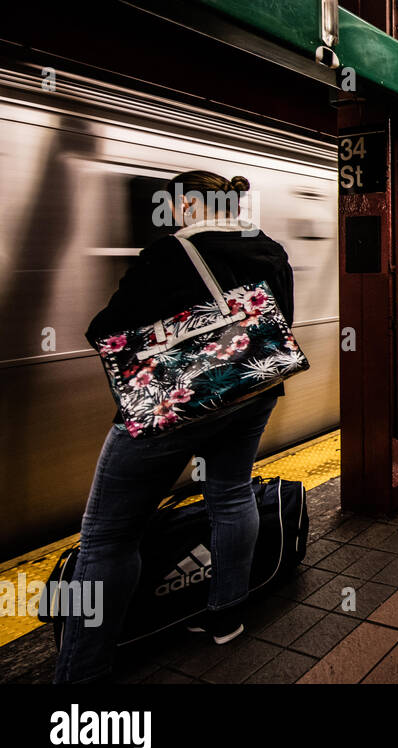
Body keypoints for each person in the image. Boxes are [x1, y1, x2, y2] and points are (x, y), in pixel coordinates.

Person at [55, 171, 293, 683]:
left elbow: (106, 330)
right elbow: (279, 323)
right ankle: (226, 615)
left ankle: (81, 673)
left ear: (187, 205)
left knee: (108, 537)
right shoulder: (269, 248)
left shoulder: (169, 254)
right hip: (252, 392)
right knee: (231, 494)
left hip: (177, 401)